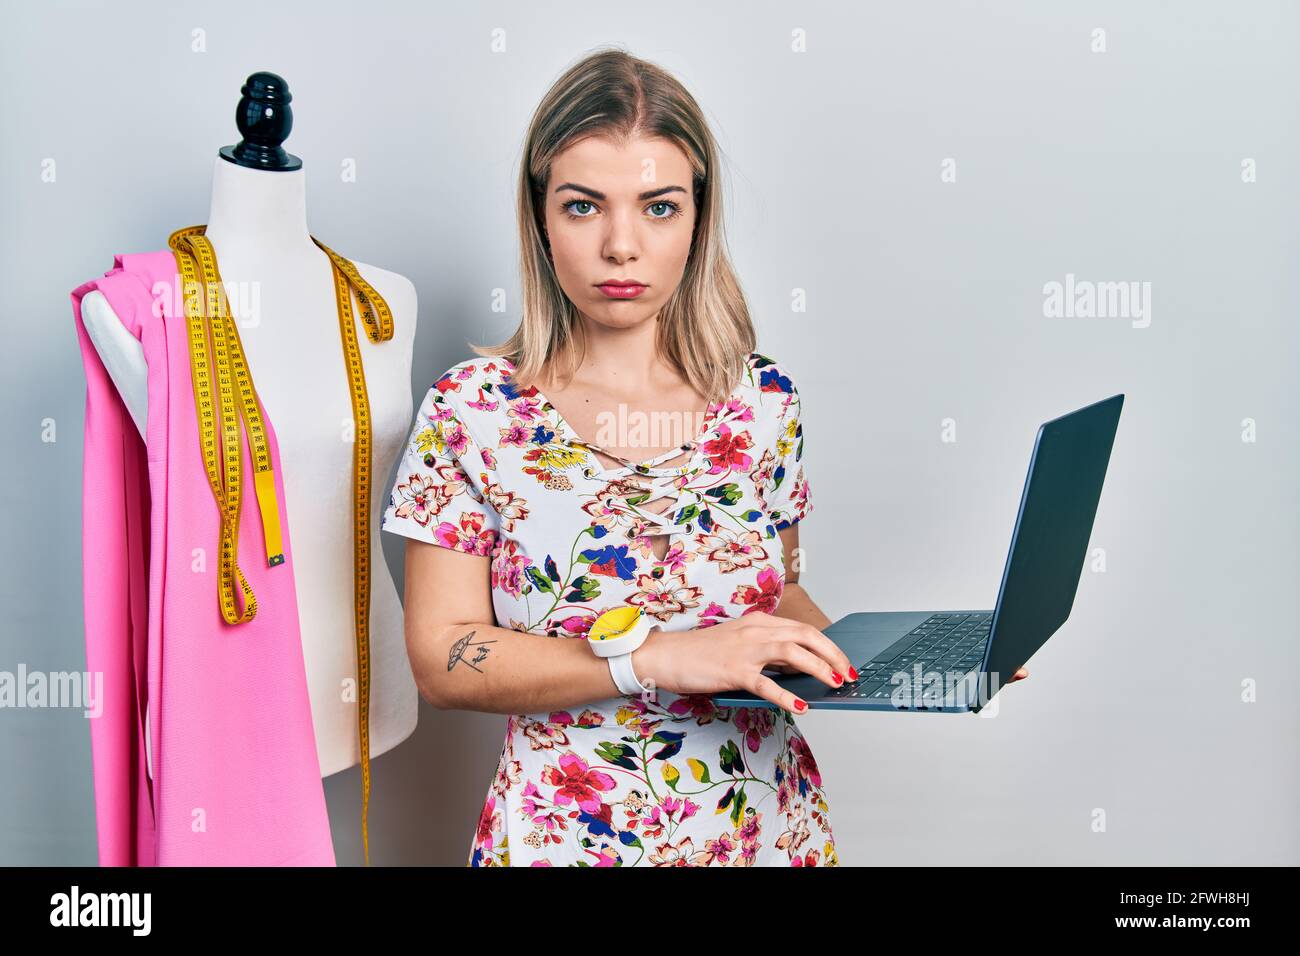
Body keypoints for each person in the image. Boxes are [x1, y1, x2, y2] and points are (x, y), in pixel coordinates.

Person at [386, 48, 849, 866]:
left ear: (700, 217)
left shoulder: (765, 402)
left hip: (766, 832)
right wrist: (651, 659)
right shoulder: (475, 411)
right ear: (540, 218)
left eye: (660, 207)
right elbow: (442, 661)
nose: (621, 246)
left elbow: (783, 591)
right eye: (584, 206)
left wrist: (895, 662)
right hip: (567, 841)